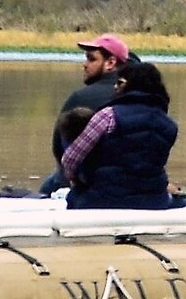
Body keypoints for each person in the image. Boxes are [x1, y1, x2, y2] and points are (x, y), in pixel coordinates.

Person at [58, 53, 179, 210]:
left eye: (120, 83)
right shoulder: (169, 125)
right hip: (154, 201)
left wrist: (76, 178)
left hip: (101, 198)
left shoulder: (107, 116)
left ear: (132, 86)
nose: (115, 87)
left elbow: (71, 158)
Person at [51, 34, 129, 170]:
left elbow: (58, 147)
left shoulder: (81, 97)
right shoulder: (142, 95)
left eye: (91, 59)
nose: (85, 65)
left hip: (88, 177)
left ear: (110, 63)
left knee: (48, 186)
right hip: (135, 178)